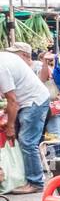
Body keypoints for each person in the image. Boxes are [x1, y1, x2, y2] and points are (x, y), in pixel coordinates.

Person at [0, 42, 52, 193]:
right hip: (28, 100)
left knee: (27, 141)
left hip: (34, 101)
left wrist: (10, 126)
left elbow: (12, 101)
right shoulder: (5, 57)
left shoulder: (1, 67)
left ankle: (35, 182)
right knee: (21, 140)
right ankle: (23, 177)